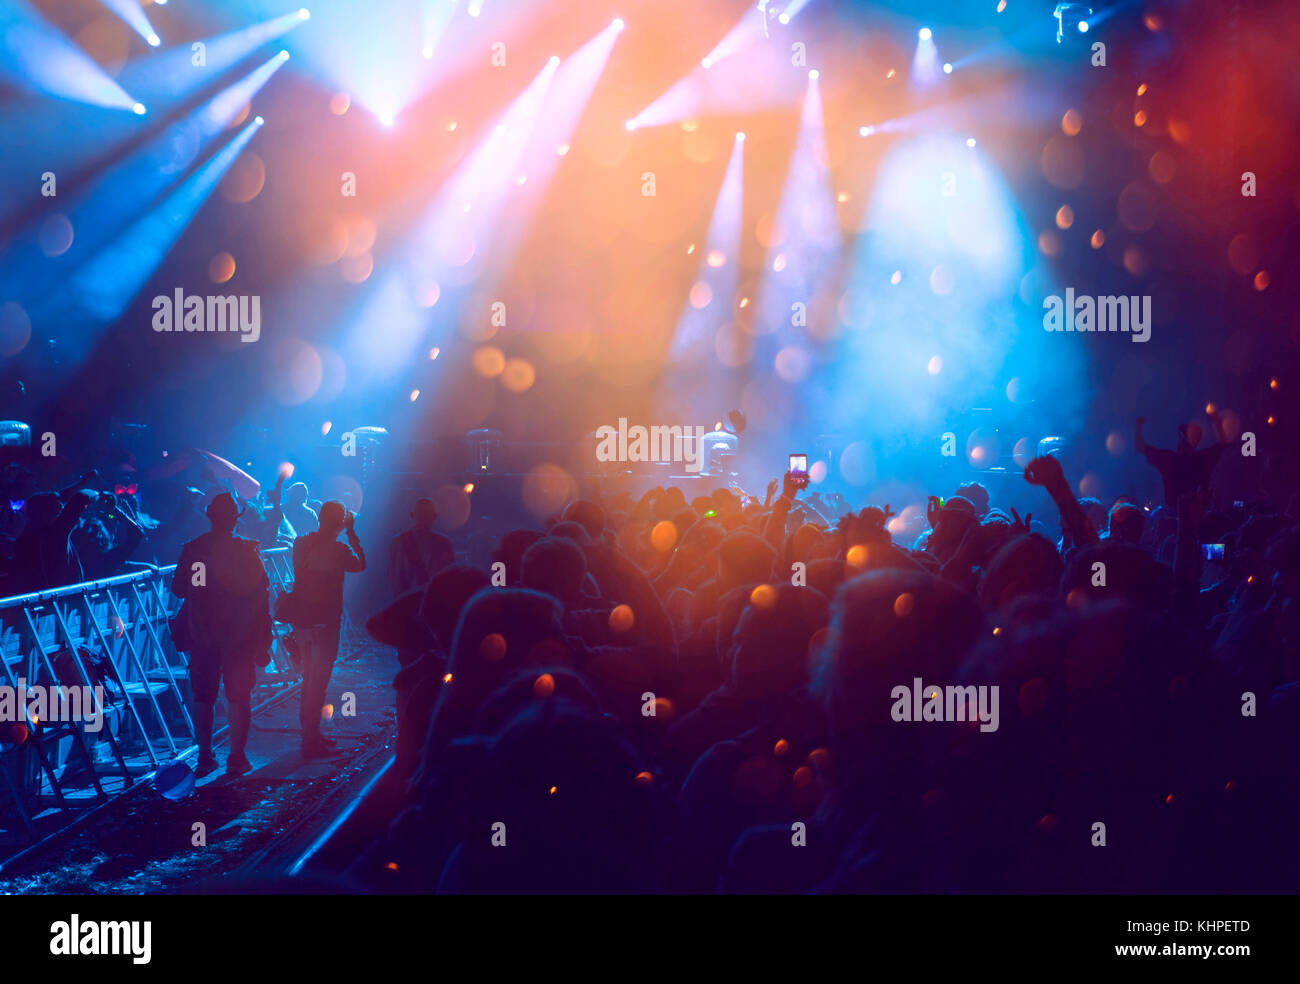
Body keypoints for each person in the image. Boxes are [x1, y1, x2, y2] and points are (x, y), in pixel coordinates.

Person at [171, 493, 270, 776]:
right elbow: (261, 596)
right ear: (235, 520)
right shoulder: (247, 551)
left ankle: (204, 755)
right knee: (239, 695)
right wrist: (263, 638)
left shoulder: (194, 550)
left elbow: (179, 589)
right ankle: (236, 757)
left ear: (210, 517)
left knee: (204, 695)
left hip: (203, 634)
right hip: (240, 636)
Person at [292, 500, 366, 757]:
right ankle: (310, 740)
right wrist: (352, 533)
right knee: (318, 681)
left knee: (308, 679)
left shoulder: (301, 543)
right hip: (326, 621)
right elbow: (360, 564)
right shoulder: (339, 550)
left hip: (302, 620)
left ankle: (310, 735)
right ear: (340, 523)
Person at [388, 498, 454, 595]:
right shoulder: (445, 543)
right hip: (432, 601)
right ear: (434, 516)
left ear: (412, 515)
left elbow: (393, 578)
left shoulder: (397, 542)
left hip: (405, 601)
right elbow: (449, 578)